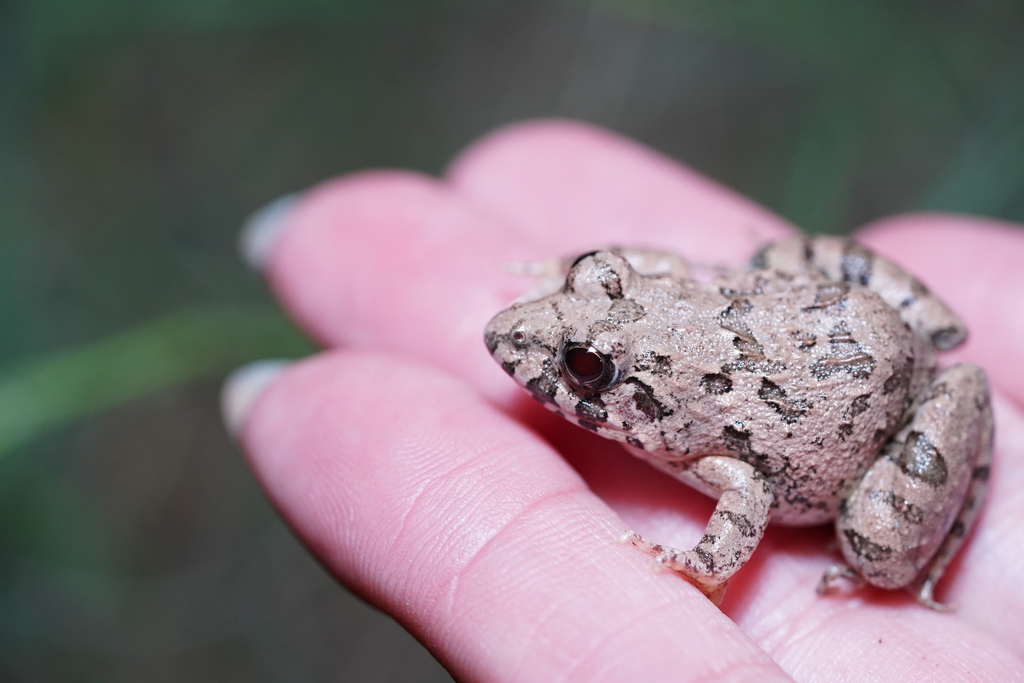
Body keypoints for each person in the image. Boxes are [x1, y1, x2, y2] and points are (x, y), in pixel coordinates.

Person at [221, 120, 1024, 681]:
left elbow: (746, 487)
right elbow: (662, 268)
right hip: (853, 318)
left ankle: (928, 540)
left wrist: (701, 567)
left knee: (877, 546)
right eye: (591, 277)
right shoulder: (648, 291)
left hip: (876, 407)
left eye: (578, 365)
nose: (520, 342)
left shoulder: (692, 433)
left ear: (635, 395)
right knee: (767, 256)